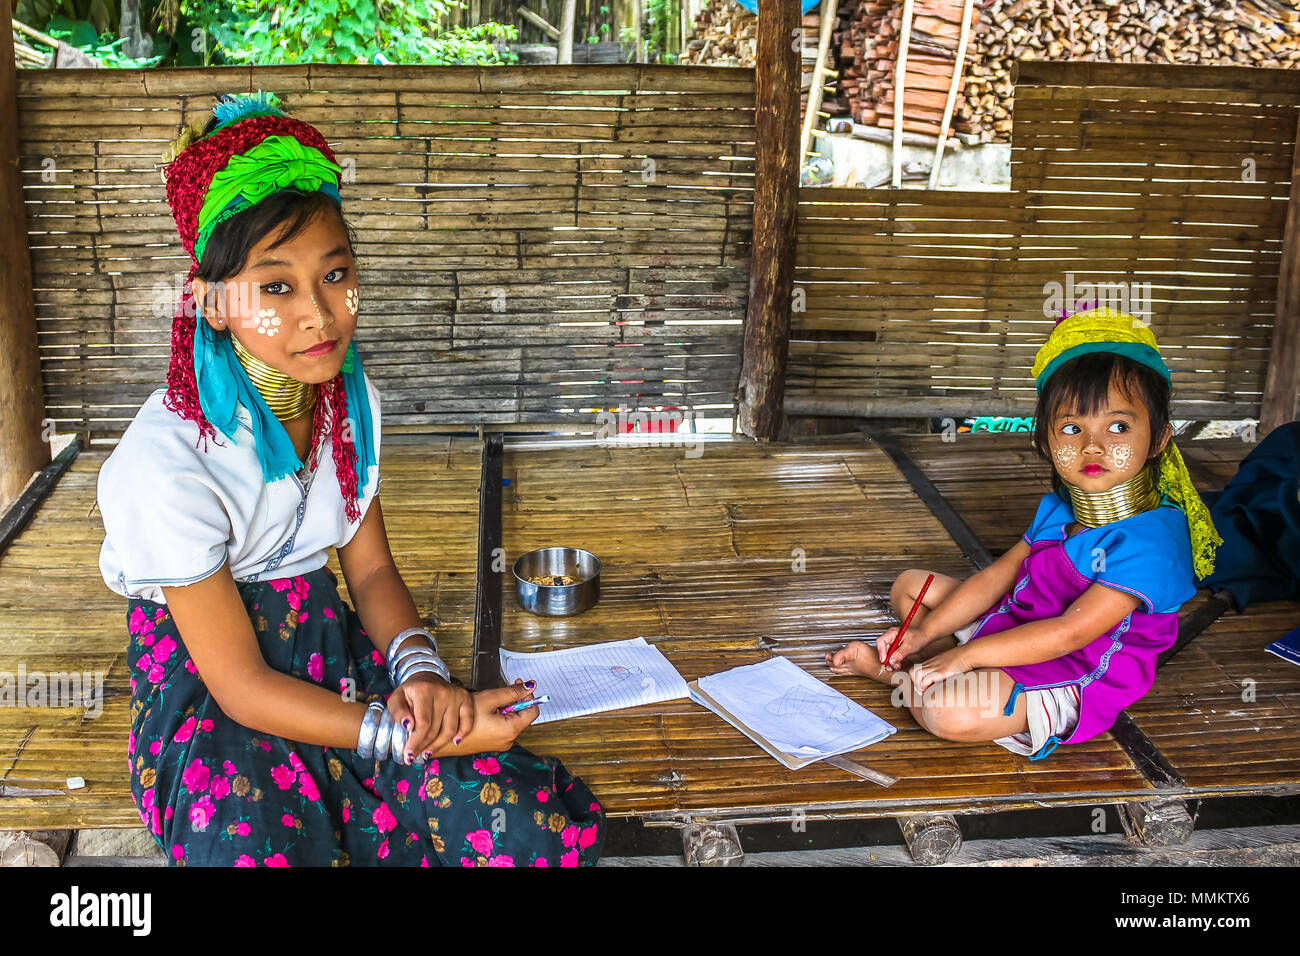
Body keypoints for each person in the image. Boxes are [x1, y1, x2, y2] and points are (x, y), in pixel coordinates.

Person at [96, 91, 604, 866]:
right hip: (214, 692)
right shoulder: (164, 464)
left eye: (335, 274)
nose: (319, 314)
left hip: (331, 653)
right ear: (212, 305)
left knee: (529, 827)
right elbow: (239, 685)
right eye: (276, 287)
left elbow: (368, 569)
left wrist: (425, 679)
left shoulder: (347, 403)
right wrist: (402, 734)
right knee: (261, 844)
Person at [827, 305, 1223, 760]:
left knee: (948, 712)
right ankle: (925, 656)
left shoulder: (1152, 541)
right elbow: (999, 576)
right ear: (1046, 438)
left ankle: (893, 675)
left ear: (1158, 438)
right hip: (1023, 620)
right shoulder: (1060, 507)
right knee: (911, 586)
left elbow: (1072, 633)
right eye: (1071, 428)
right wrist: (925, 631)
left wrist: (966, 656)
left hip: (1076, 663)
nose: (1092, 445)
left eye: (1118, 426)